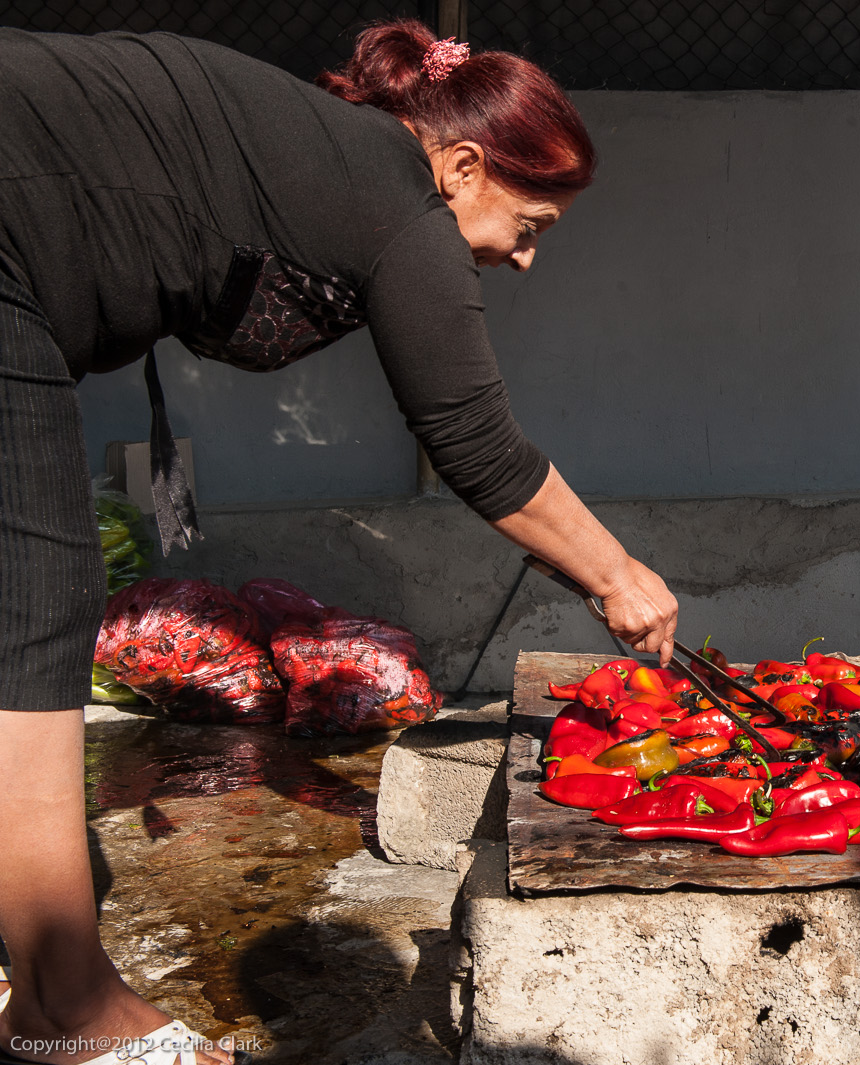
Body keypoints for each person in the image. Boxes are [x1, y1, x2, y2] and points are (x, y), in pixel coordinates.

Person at [0, 20, 678, 1065]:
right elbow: (477, 446)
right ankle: (64, 1005)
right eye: (529, 222)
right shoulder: (396, 200)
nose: (525, 258)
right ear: (460, 167)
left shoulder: (329, 158)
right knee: (35, 595)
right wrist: (621, 579)